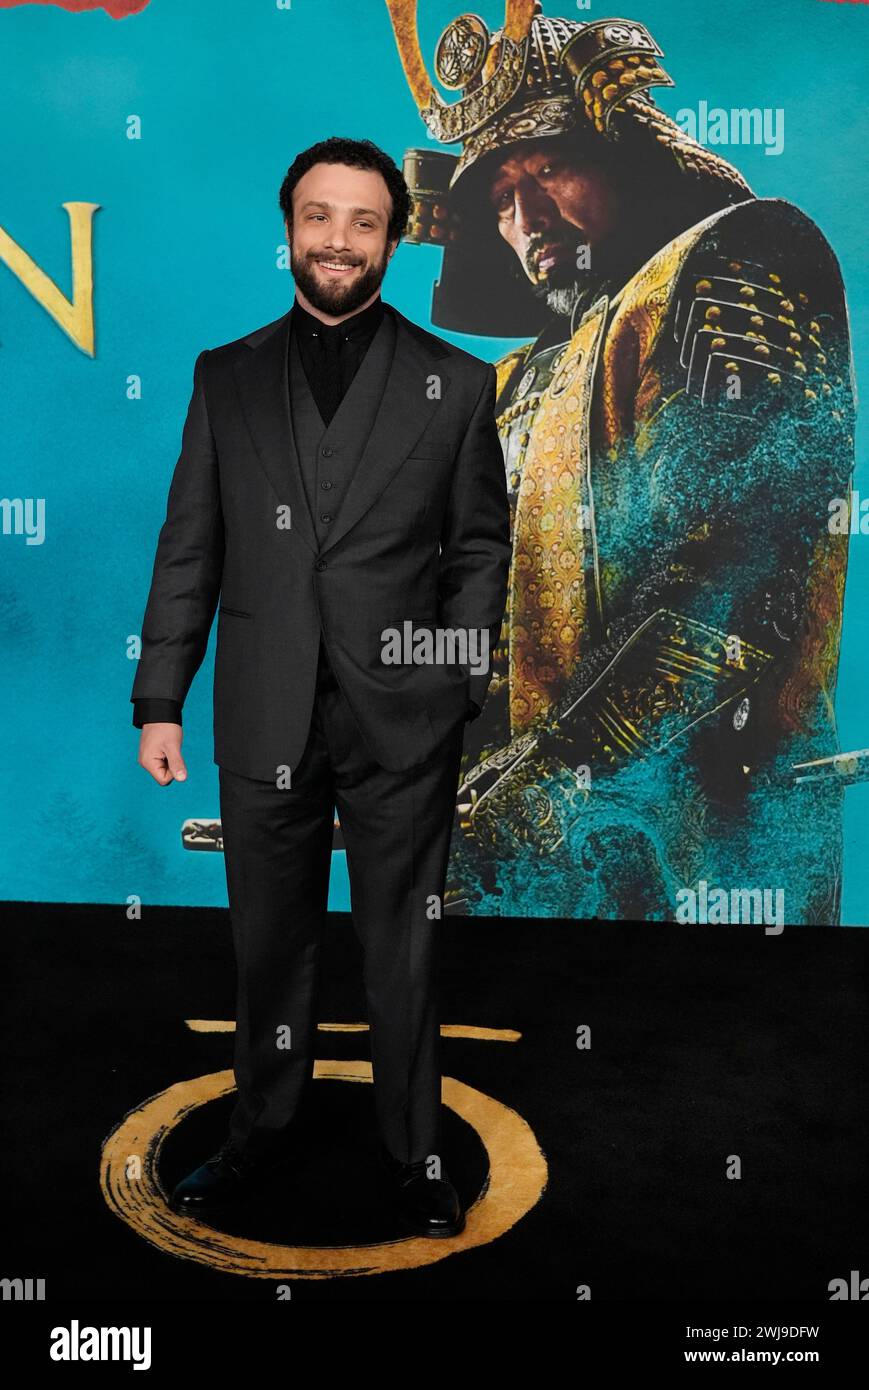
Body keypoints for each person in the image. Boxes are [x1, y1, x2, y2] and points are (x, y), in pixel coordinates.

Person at [390, 2, 856, 924]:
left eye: (550, 167)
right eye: (499, 197)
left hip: (707, 842)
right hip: (509, 858)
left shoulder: (731, 266)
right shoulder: (501, 385)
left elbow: (745, 569)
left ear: (625, 158)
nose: (526, 216)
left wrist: (564, 764)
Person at [130, 136, 512, 1236]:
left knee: (404, 946)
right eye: (317, 216)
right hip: (261, 705)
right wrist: (161, 699)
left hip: (404, 718)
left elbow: (479, 552)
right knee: (268, 941)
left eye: (361, 220)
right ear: (286, 232)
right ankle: (258, 1132)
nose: (337, 239)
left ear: (394, 237)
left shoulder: (456, 382)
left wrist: (453, 685)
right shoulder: (224, 375)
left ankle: (411, 1153)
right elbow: (188, 548)